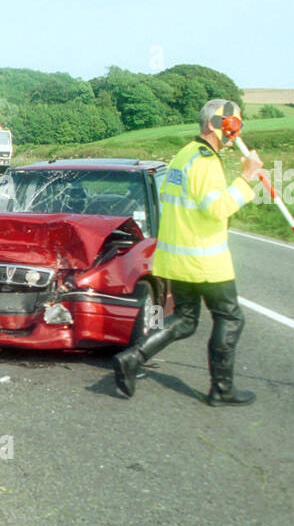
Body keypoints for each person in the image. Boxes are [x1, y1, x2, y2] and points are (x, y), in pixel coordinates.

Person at [112, 99, 264, 406]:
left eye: (238, 124)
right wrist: (246, 178)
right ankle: (221, 389)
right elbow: (217, 208)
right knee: (230, 317)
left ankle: (131, 358)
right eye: (231, 123)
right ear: (212, 124)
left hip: (178, 258)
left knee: (185, 319)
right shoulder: (206, 162)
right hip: (204, 260)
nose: (235, 130)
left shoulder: (185, 154)